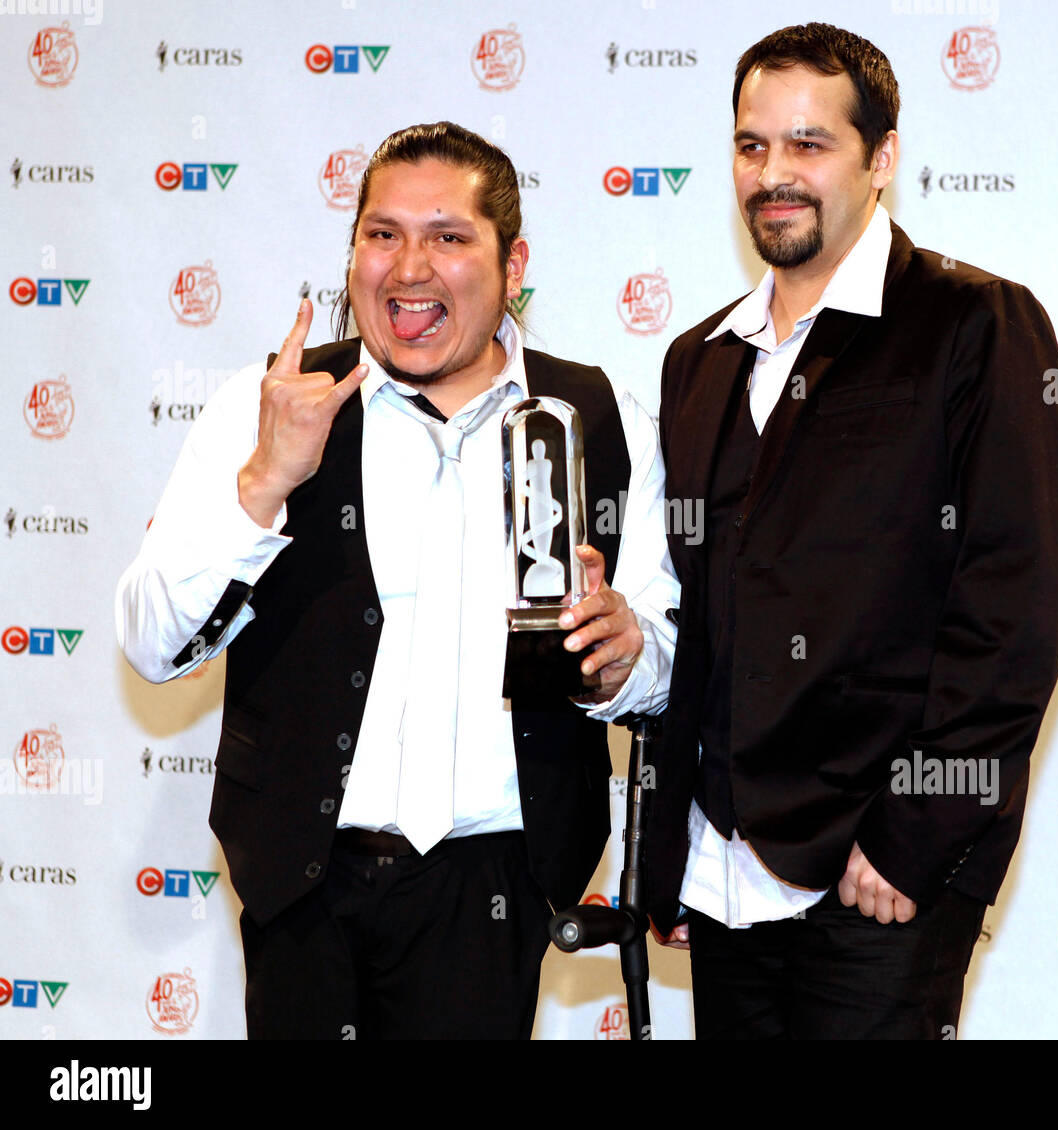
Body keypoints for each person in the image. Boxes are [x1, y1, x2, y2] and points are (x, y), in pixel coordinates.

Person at [116, 121, 678, 1040]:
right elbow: (150, 646)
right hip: (302, 883)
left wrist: (626, 659)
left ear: (513, 261)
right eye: (382, 235)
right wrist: (264, 483)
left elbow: (663, 654)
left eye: (449, 237)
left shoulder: (602, 418)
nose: (409, 267)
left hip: (494, 889)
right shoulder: (273, 403)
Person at [644, 24, 1058, 1039]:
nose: (773, 174)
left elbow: (1011, 611)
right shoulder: (697, 360)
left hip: (879, 872)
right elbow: (703, 619)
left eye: (808, 144)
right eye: (752, 146)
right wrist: (679, 844)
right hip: (725, 874)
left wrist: (910, 834)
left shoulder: (978, 324)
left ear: (880, 158)